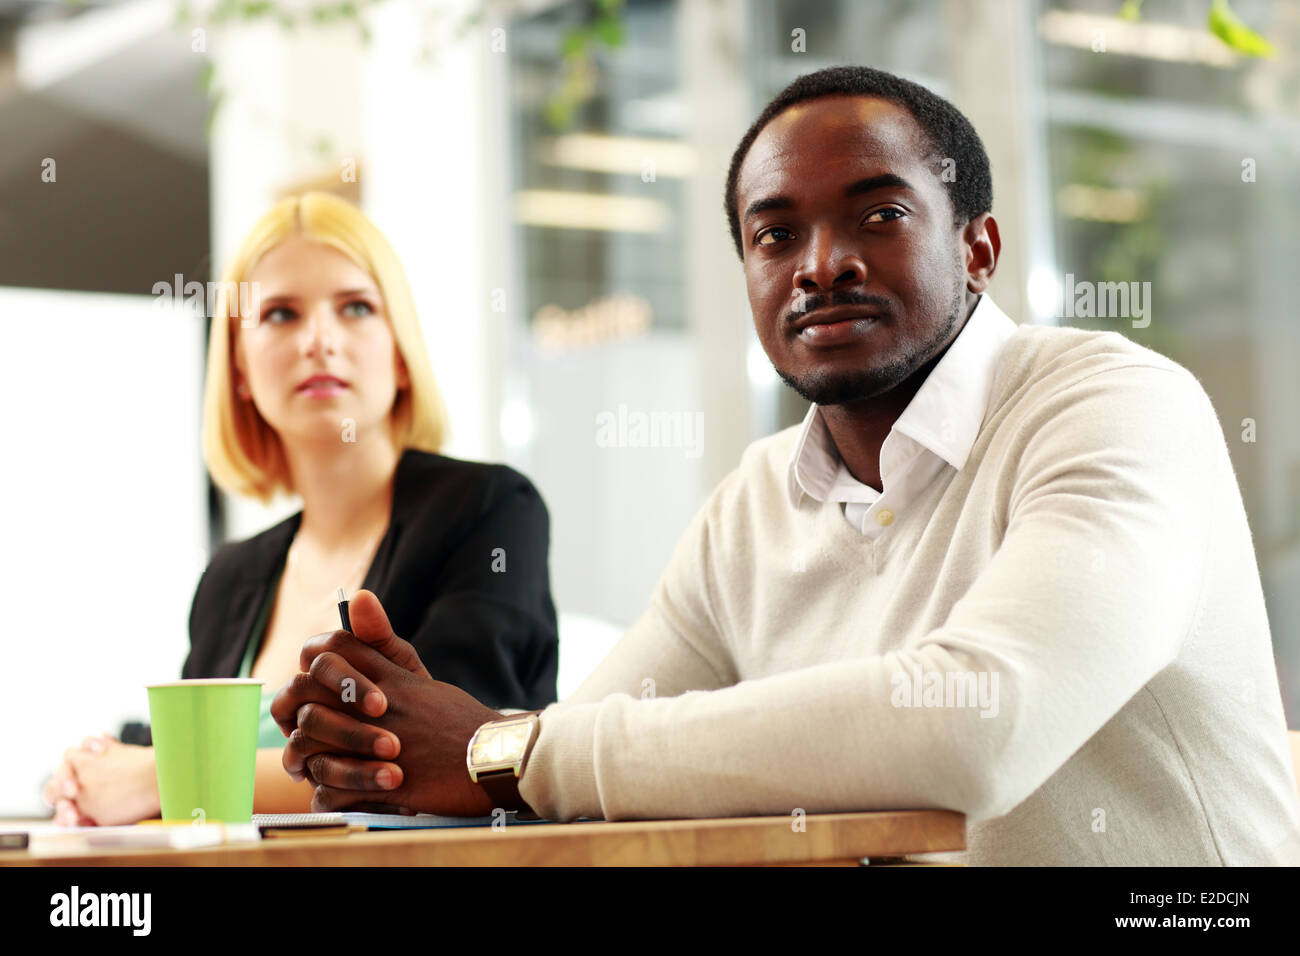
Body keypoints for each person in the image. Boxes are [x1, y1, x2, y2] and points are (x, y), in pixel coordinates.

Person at [270, 67, 1300, 865]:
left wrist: (507, 751)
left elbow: (979, 719)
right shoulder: (755, 503)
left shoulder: (1111, 404)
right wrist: (395, 744)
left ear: (978, 249)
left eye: (880, 214)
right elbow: (579, 755)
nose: (820, 262)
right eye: (775, 234)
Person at [43, 192, 559, 825]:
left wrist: (159, 777)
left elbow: (444, 758)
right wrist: (94, 775)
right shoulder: (230, 577)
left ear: (400, 353)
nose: (319, 340)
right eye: (282, 314)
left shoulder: (488, 510)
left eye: (356, 308)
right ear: (238, 365)